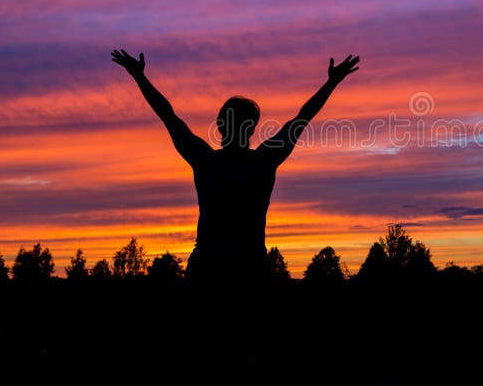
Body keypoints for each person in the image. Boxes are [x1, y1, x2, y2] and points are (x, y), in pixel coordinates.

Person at [111, 48, 359, 284]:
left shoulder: (206, 160)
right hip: (247, 268)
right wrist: (331, 83)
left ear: (219, 124)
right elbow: (303, 117)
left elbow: (168, 116)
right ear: (252, 128)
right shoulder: (262, 161)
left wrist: (139, 77)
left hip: (213, 269)